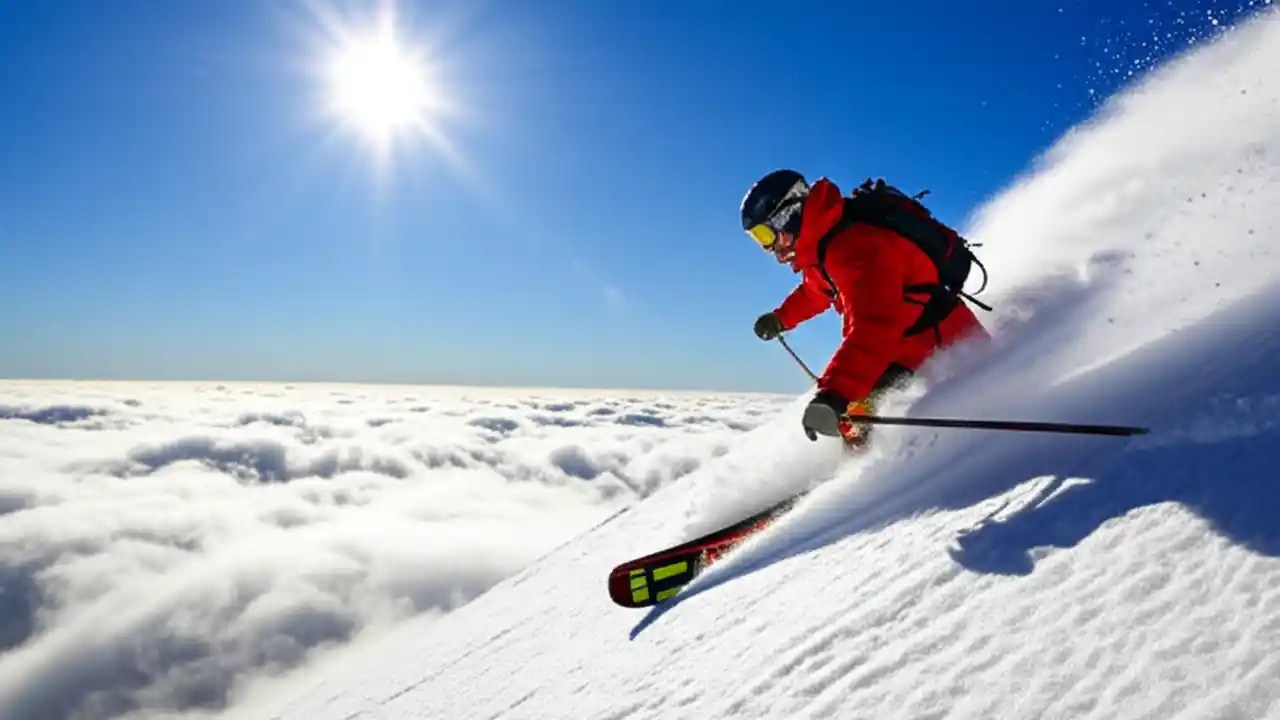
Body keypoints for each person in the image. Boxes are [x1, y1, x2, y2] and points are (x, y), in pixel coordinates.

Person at [740, 169, 988, 446]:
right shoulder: (828, 245)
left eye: (766, 235)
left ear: (789, 215)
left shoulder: (857, 248)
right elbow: (816, 292)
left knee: (856, 416)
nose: (770, 248)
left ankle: (895, 476)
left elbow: (874, 327)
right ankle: (868, 471)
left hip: (940, 347)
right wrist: (781, 318)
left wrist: (835, 392)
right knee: (854, 419)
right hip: (903, 346)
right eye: (758, 240)